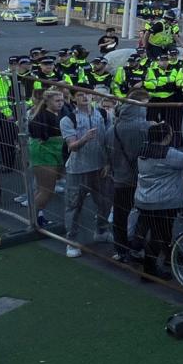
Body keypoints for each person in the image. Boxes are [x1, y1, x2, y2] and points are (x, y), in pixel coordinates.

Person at [133, 122, 183, 278]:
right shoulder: (170, 154)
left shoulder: (142, 150)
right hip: (164, 202)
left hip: (143, 199)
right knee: (158, 235)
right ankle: (150, 270)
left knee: (159, 232)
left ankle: (168, 256)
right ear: (167, 137)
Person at [61, 89, 112, 258]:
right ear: (74, 99)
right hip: (77, 170)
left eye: (87, 94)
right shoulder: (68, 119)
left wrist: (108, 163)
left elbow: (109, 142)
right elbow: (72, 146)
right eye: (80, 95)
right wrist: (84, 139)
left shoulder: (104, 114)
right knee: (74, 206)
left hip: (100, 168)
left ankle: (101, 230)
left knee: (105, 202)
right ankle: (72, 241)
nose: (85, 97)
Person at [107, 89, 151, 262]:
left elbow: (108, 154)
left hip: (120, 179)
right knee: (146, 215)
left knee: (120, 216)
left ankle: (121, 249)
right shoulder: (145, 127)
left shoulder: (112, 129)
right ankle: (137, 245)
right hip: (142, 179)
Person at [28, 89, 67, 227]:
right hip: (44, 154)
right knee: (46, 190)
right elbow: (38, 135)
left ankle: (38, 217)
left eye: (62, 100)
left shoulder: (63, 112)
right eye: (57, 101)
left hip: (56, 152)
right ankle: (33, 220)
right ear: (48, 101)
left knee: (44, 190)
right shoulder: (41, 116)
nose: (61, 103)